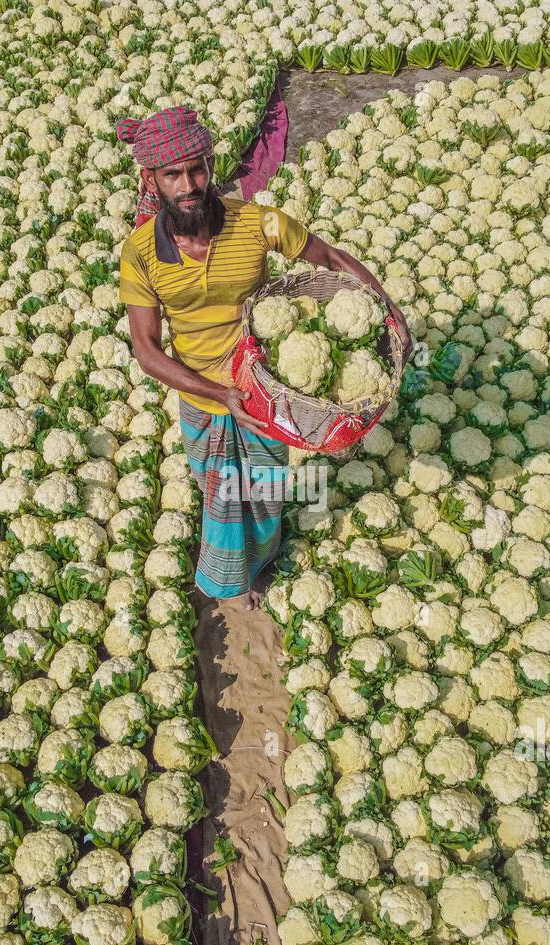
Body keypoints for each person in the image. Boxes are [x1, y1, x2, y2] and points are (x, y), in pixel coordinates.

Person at [116, 106, 410, 610]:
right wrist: (217, 394)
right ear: (152, 180)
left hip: (265, 387)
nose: (189, 184)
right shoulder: (140, 253)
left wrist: (389, 309)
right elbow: (146, 350)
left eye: (197, 169)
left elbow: (333, 260)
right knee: (223, 494)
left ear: (210, 165)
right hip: (205, 397)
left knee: (266, 483)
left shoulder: (257, 221)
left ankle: (263, 560)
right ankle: (234, 578)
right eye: (173, 175)